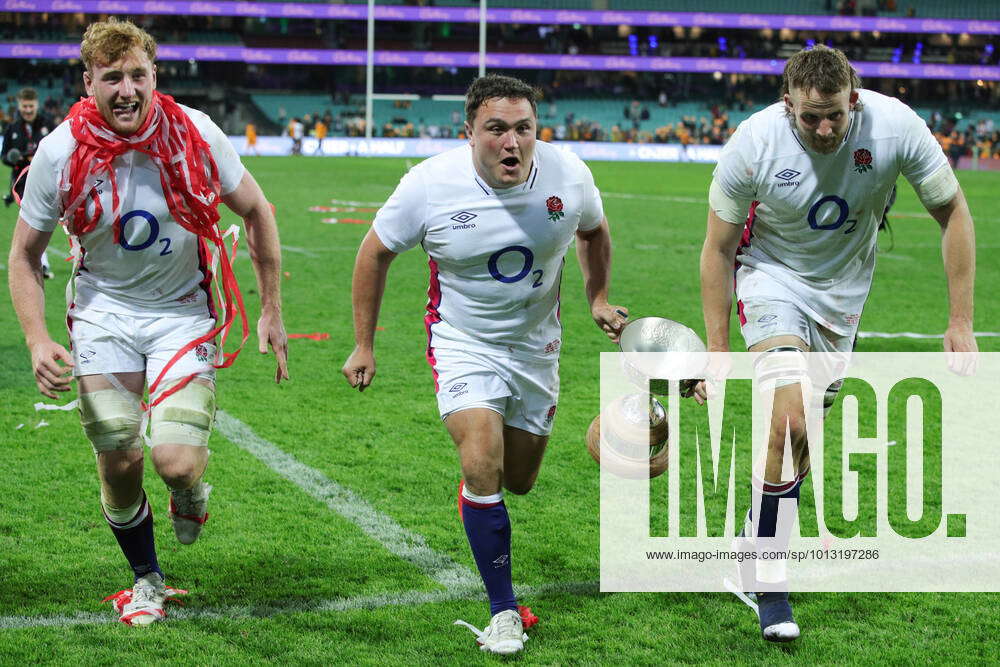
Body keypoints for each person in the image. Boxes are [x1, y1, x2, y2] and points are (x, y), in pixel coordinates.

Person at [7, 19, 289, 626]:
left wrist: (271, 309)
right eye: (112, 78)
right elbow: (24, 255)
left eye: (138, 74)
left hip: (181, 313)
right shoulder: (59, 150)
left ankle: (189, 490)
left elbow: (258, 211)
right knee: (117, 450)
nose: (127, 89)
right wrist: (36, 339)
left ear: (154, 76)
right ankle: (146, 580)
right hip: (103, 314)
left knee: (176, 462)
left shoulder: (197, 133)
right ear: (89, 83)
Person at [694, 45, 976, 642]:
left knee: (798, 443)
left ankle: (753, 537)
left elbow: (954, 212)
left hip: (843, 298)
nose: (823, 129)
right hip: (770, 277)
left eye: (834, 117)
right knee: (788, 420)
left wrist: (960, 320)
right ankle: (768, 582)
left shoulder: (896, 125)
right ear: (787, 105)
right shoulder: (752, 143)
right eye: (808, 117)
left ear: (854, 100)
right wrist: (718, 346)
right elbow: (718, 248)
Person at [341, 73, 627, 655]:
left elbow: (595, 232)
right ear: (468, 131)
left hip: (535, 346)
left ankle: (487, 498)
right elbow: (373, 253)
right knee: (481, 461)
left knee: (517, 480)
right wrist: (363, 343)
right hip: (462, 341)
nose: (512, 142)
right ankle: (502, 610)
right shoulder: (429, 185)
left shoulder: (570, 175)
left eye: (524, 129)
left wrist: (597, 297)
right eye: (496, 129)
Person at [3, 88, 57, 277]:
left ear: (36, 105)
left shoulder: (48, 125)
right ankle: (39, 263)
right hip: (22, 183)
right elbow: (4, 157)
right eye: (24, 106)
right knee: (32, 223)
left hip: (46, 181)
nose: (27, 110)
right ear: (19, 105)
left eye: (30, 106)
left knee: (44, 221)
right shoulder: (12, 128)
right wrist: (16, 159)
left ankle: (39, 263)